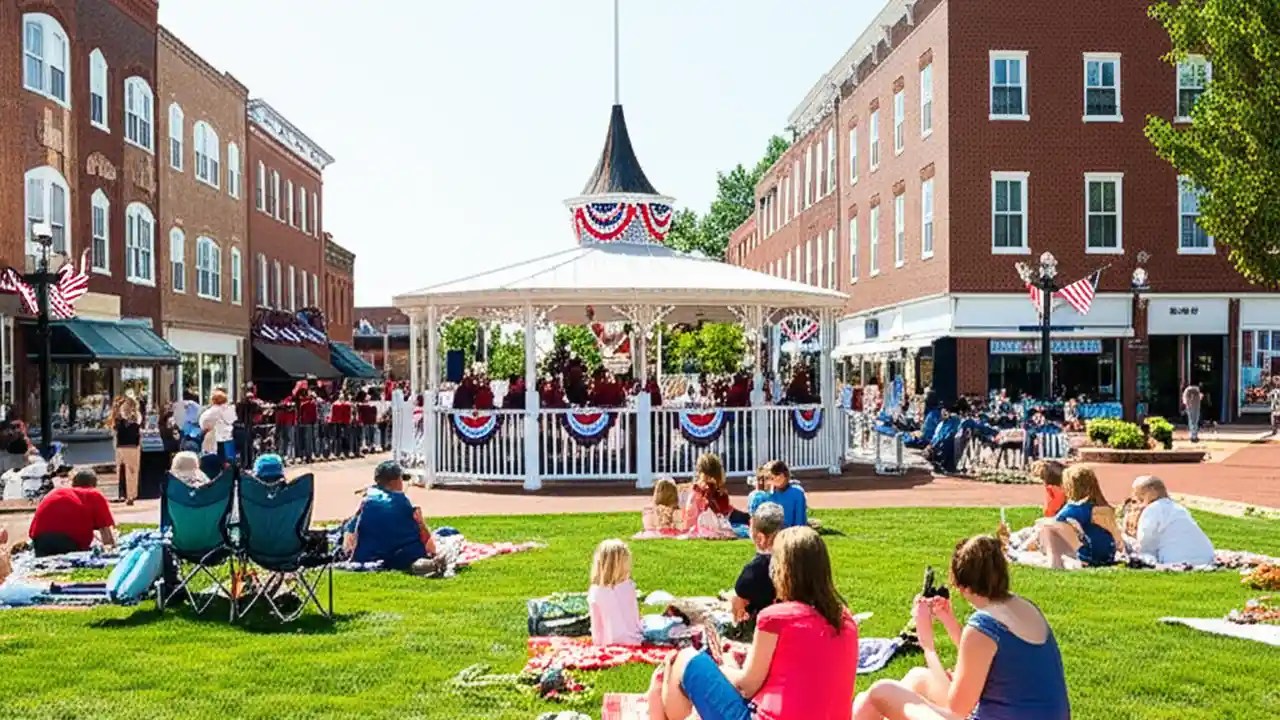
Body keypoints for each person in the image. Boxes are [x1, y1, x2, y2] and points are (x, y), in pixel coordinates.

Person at [647, 526, 858, 720]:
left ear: (783, 570)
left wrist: (721, 667)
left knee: (685, 658)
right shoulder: (846, 620)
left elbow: (746, 687)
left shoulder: (776, 618)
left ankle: (669, 705)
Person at [853, 535, 1070, 720]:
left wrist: (927, 644)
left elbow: (956, 711)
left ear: (963, 586)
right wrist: (949, 620)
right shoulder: (1026, 608)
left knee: (879, 692)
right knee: (917, 678)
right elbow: (986, 659)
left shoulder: (985, 626)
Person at [349, 460, 440, 574]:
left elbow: (350, 535)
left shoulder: (368, 500)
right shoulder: (403, 504)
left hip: (366, 556)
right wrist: (421, 523)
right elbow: (429, 545)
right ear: (396, 481)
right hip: (401, 558)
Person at [1036, 465, 1120, 569]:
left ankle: (1054, 561)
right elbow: (1117, 538)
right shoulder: (1103, 507)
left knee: (1047, 529)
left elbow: (1055, 521)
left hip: (1090, 555)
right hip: (1108, 555)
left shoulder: (1075, 508)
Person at [27, 467, 117, 556]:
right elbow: (106, 532)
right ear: (94, 483)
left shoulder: (56, 492)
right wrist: (113, 549)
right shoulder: (93, 494)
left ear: (73, 483)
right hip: (68, 542)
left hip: (40, 542)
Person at [1130, 475, 1215, 565]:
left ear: (1152, 492)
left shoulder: (1152, 510)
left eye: (1141, 497)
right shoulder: (1179, 508)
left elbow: (1145, 541)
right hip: (1207, 555)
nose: (1139, 503)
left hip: (1176, 558)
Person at [729, 502, 783, 640]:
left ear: (760, 538)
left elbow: (738, 612)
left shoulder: (752, 573)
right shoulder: (798, 564)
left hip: (764, 631)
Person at [587, 538, 644, 646]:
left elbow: (596, 626)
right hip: (634, 638)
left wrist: (598, 643)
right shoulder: (628, 586)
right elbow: (634, 618)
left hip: (607, 641)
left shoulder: (596, 591)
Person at [685, 452, 748, 528]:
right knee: (747, 519)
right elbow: (720, 511)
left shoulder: (695, 489)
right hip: (713, 522)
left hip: (698, 523)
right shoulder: (709, 489)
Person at [747, 460, 808, 529]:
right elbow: (756, 521)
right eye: (766, 478)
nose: (767, 482)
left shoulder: (797, 493)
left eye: (770, 478)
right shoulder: (760, 496)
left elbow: (800, 521)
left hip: (791, 533)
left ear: (781, 476)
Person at [110, 393, 143, 505]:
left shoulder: (122, 417)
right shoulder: (136, 416)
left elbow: (113, 426)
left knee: (122, 471)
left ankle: (124, 494)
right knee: (132, 471)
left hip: (123, 445)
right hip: (132, 445)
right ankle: (130, 495)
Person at [200, 389, 237, 461]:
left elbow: (202, 423)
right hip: (226, 438)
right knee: (228, 460)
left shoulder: (209, 411)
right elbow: (233, 419)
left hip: (212, 438)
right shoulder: (227, 409)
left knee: (212, 459)